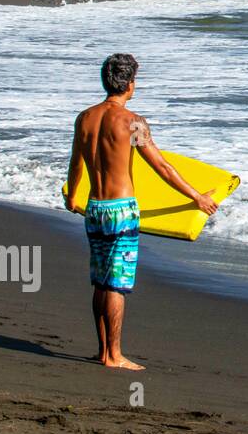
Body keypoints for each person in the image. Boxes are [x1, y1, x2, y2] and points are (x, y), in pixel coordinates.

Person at [64, 54, 219, 370]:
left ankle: (102, 349)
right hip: (121, 210)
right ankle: (114, 355)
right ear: (130, 84)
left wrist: (71, 197)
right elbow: (161, 166)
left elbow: (76, 163)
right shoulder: (132, 122)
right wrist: (197, 197)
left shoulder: (85, 118)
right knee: (116, 284)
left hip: (94, 207)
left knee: (101, 281)